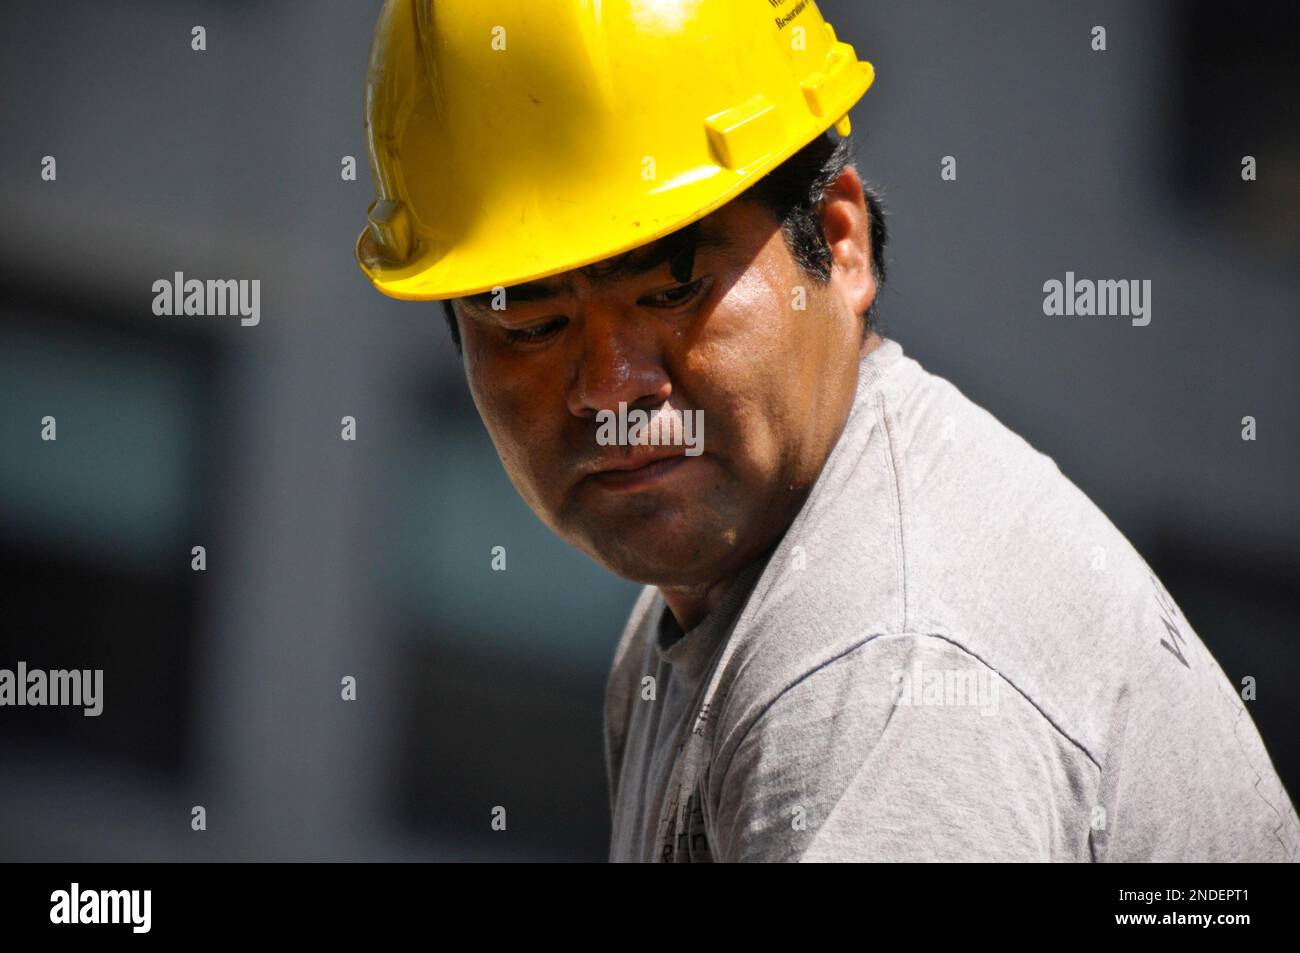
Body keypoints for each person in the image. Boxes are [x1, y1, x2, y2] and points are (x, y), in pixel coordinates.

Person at [355, 0, 1300, 861]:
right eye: (531, 323)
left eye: (673, 285)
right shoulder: (712, 606)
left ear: (841, 244)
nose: (613, 388)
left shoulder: (883, 673)